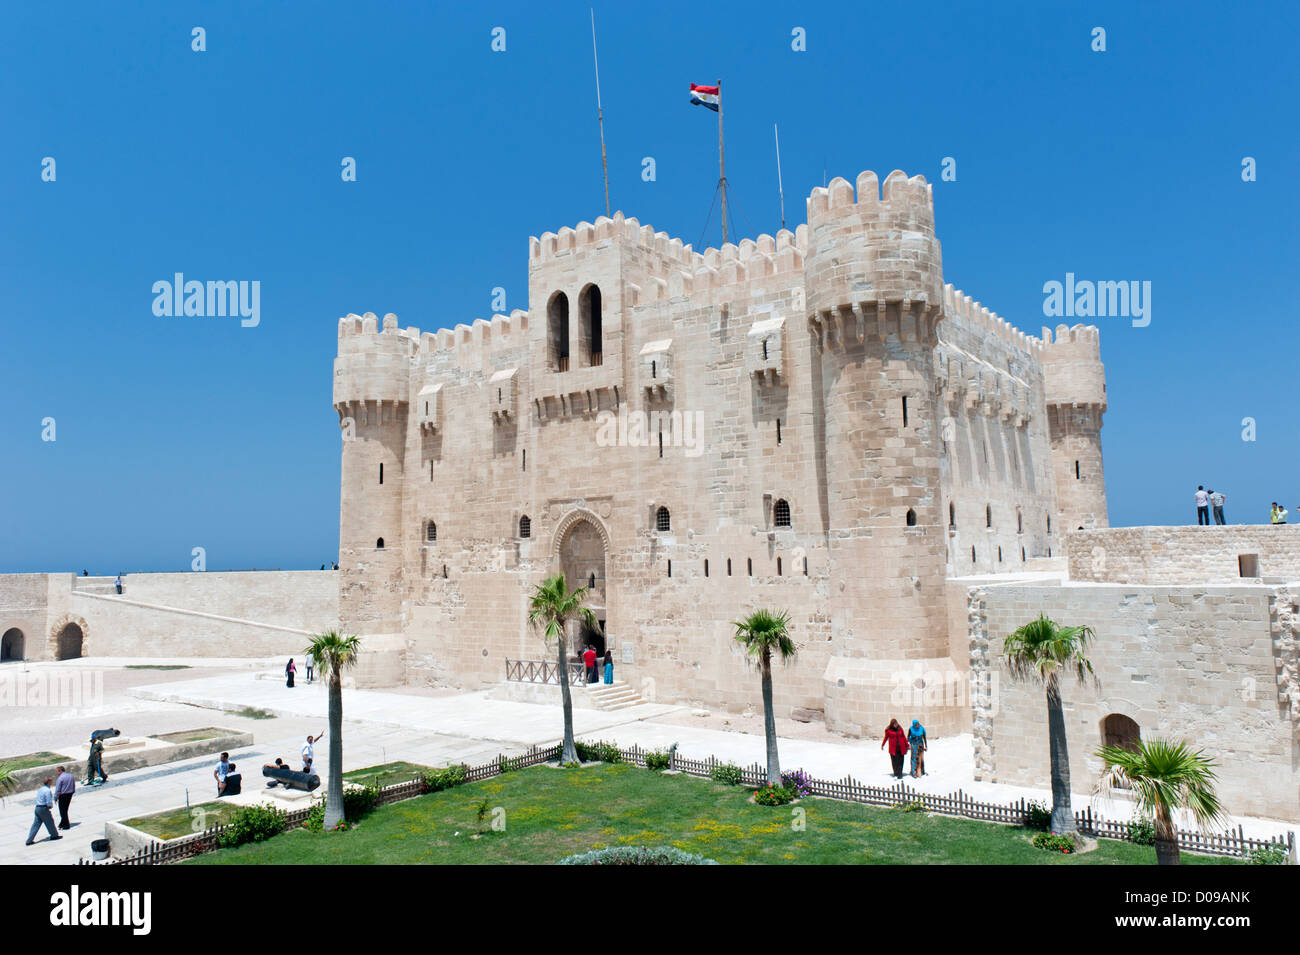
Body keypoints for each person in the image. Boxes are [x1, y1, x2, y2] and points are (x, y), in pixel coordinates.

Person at [25, 778, 62, 845]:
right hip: (43, 808)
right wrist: (50, 806)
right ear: (48, 782)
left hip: (37, 808)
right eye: (51, 782)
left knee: (36, 825)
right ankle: (54, 835)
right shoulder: (47, 790)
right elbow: (48, 801)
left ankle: (29, 840)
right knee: (50, 822)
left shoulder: (41, 789)